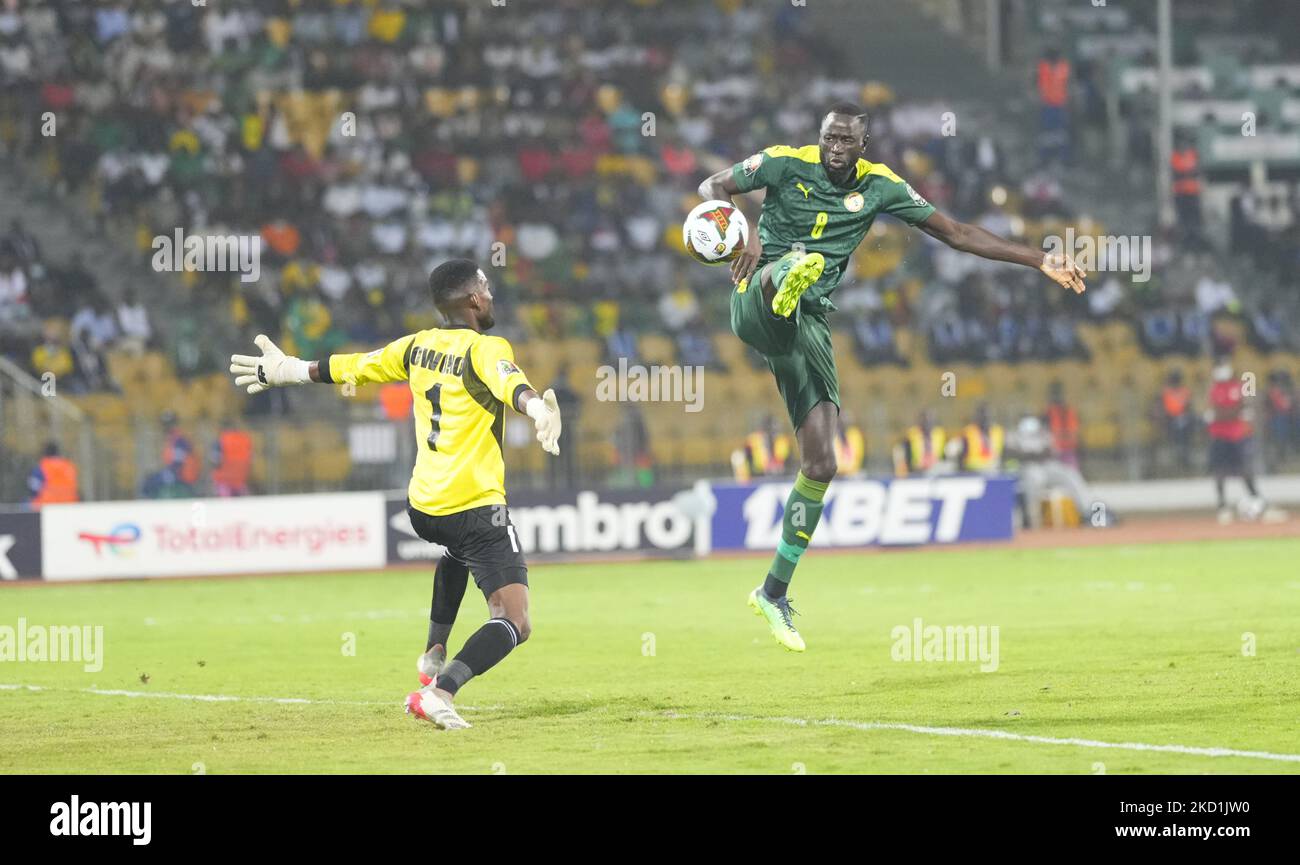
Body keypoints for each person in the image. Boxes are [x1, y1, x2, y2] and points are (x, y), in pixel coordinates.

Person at [698, 104, 1086, 651]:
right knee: (783, 274)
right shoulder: (784, 163)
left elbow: (954, 232)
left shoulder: (881, 186)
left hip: (809, 326)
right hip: (753, 298)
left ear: (864, 143)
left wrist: (1036, 259)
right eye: (828, 138)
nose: (834, 148)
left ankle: (772, 592)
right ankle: (787, 272)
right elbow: (711, 184)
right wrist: (744, 238)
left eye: (845, 141)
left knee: (822, 463)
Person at [230, 259, 561, 730]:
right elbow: (511, 382)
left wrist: (290, 370)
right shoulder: (484, 348)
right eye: (484, 287)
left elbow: (356, 367)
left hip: (425, 506)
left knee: (457, 551)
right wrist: (536, 409)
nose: (490, 295)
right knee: (515, 622)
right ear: (471, 299)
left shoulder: (416, 346)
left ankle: (433, 651)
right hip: (474, 505)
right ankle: (440, 691)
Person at [1205, 360, 1264, 523]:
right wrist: (1231, 413)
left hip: (1237, 435)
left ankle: (1257, 499)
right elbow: (1222, 410)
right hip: (1220, 435)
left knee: (1244, 469)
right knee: (1219, 471)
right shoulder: (1215, 388)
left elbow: (1241, 407)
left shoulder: (1239, 385)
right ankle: (1222, 505)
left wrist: (1225, 414)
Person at [893, 410, 945, 477]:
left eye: (928, 420)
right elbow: (904, 450)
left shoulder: (939, 433)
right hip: (916, 468)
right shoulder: (912, 434)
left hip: (937, 467)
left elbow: (944, 454)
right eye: (924, 420)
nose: (926, 423)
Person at [28, 442, 78, 509]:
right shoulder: (69, 466)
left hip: (47, 507)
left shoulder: (42, 467)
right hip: (69, 505)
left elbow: (34, 488)